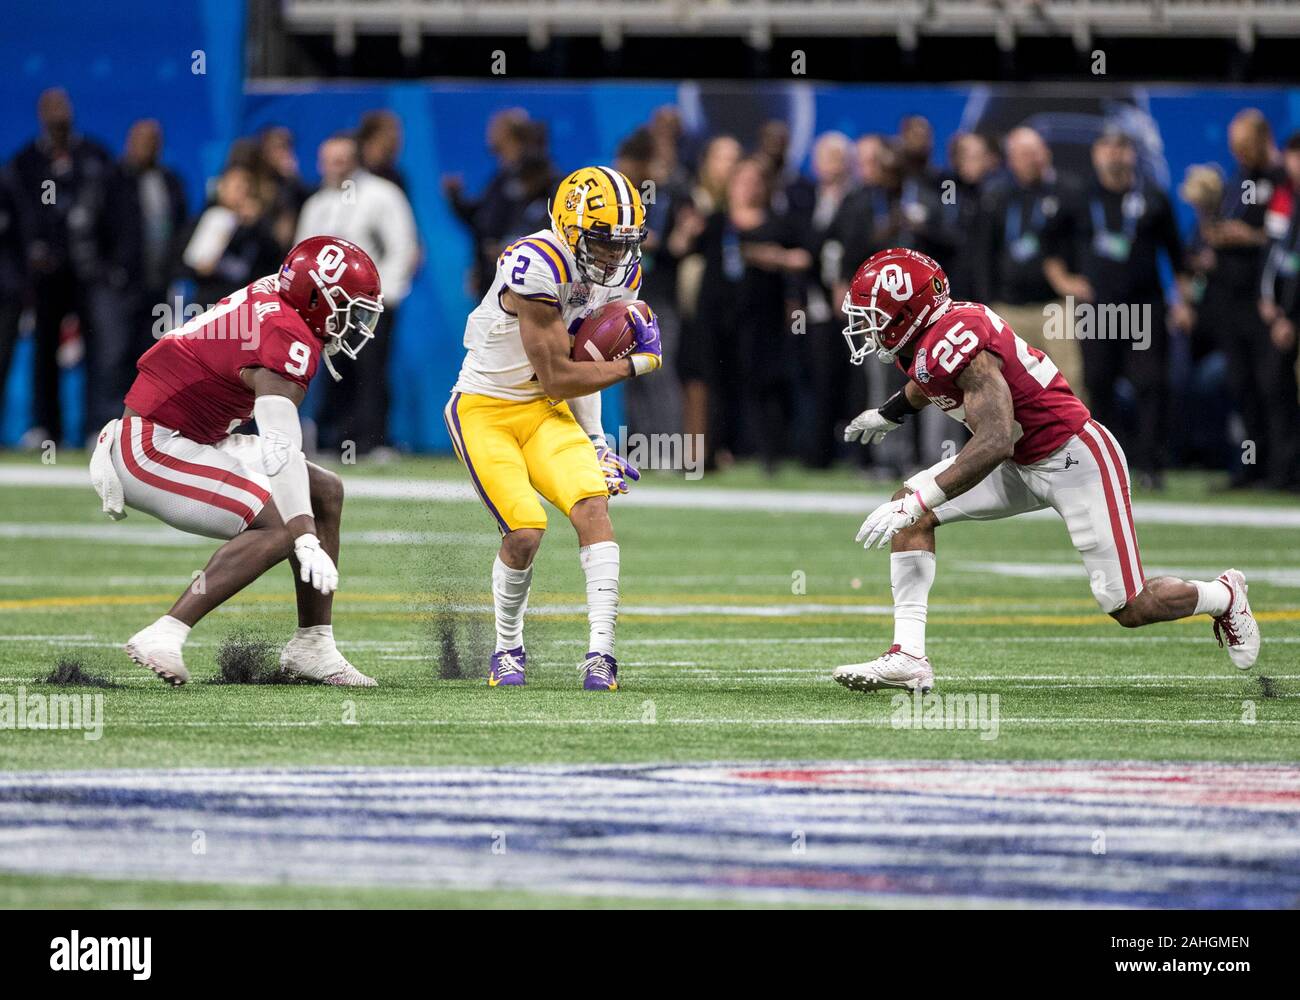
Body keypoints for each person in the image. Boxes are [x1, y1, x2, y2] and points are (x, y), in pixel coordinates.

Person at [830, 248, 1259, 694]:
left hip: (1073, 457)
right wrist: (889, 413)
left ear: (907, 312)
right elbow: (930, 378)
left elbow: (996, 439)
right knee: (911, 511)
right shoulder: (933, 337)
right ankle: (909, 657)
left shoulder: (957, 341)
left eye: (875, 315)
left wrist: (923, 497)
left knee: (1129, 606)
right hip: (1020, 460)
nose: (868, 327)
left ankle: (1224, 595)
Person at [87, 236, 385, 687]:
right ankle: (166, 631)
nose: (357, 324)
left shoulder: (281, 296)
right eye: (350, 309)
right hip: (151, 446)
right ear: (317, 300)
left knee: (325, 491)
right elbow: (279, 445)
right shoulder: (286, 338)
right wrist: (303, 536)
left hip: (196, 436)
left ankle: (313, 644)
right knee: (286, 519)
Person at [446, 166, 663, 691]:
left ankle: (601, 655)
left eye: (624, 242)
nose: (615, 255)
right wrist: (639, 363)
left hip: (547, 412)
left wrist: (596, 443)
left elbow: (581, 363)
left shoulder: (620, 275)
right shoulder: (534, 264)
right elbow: (560, 374)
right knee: (524, 530)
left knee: (593, 505)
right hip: (486, 407)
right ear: (569, 228)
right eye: (603, 241)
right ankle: (506, 648)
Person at [1043, 129, 1189, 488]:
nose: (1114, 154)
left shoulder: (1153, 198)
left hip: (1145, 307)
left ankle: (1152, 467)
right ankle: (1110, 463)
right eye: (1107, 147)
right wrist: (1064, 282)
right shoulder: (1078, 197)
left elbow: (1177, 255)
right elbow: (1049, 246)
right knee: (1098, 383)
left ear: (1132, 154)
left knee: (1150, 384)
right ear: (1095, 153)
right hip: (1096, 309)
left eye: (1121, 147)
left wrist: (1183, 301)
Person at [295, 134, 418, 456]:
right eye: (329, 160)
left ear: (355, 159)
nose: (335, 167)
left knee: (370, 371)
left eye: (342, 159)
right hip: (328, 307)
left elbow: (402, 245)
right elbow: (302, 253)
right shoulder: (317, 204)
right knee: (334, 371)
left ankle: (372, 442)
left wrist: (385, 296)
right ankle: (335, 440)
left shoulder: (382, 194)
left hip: (369, 304)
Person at [8, 88, 112, 446]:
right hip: (44, 278)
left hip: (87, 275)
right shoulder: (25, 162)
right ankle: (46, 429)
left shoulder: (95, 157)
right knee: (44, 351)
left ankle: (95, 426)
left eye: (62, 107)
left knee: (99, 350)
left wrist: (100, 261)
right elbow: (20, 219)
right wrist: (33, 256)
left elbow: (111, 215)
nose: (58, 115)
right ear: (40, 114)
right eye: (50, 109)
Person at [84, 119, 188, 435]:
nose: (148, 146)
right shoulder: (109, 180)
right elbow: (87, 230)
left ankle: (142, 429)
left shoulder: (170, 181)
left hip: (156, 287)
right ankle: (102, 428)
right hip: (115, 287)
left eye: (154, 140)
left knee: (151, 357)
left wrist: (174, 271)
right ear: (129, 142)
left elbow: (181, 230)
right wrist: (104, 273)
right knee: (112, 355)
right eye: (142, 140)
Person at [976, 126, 1083, 395]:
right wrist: (989, 304)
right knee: (1009, 386)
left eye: (1036, 152)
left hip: (1055, 307)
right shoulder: (997, 197)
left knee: (1071, 380)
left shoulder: (1068, 192)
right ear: (1011, 160)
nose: (1032, 159)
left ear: (1046, 153)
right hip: (1009, 308)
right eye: (1024, 154)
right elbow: (983, 252)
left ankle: (1077, 437)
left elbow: (1080, 244)